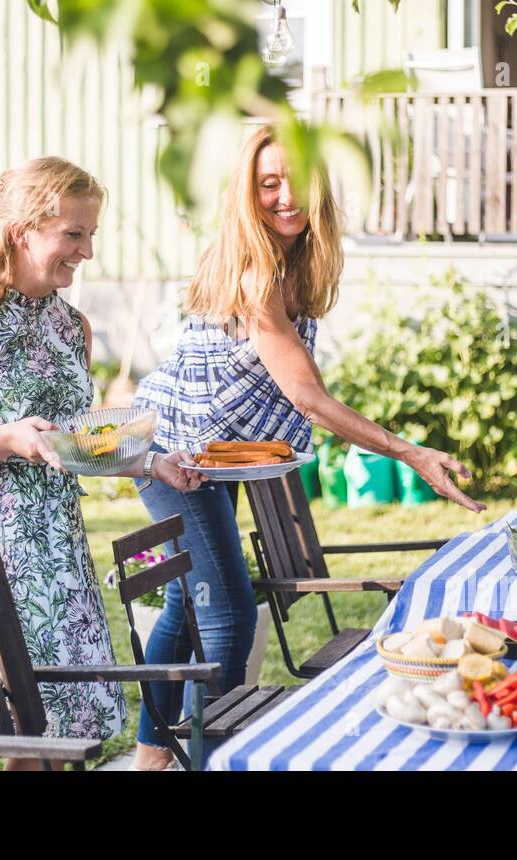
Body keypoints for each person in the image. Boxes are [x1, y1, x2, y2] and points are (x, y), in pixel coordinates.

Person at [128, 125, 487, 769]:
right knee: (231, 616)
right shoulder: (252, 267)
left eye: (297, 179)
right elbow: (308, 398)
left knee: (189, 601)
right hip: (173, 455)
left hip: (220, 456)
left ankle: (153, 757)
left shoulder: (292, 260)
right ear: (248, 191)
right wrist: (411, 453)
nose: (286, 196)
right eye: (269, 183)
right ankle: (211, 759)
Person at [0, 157, 204, 770]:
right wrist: (5, 437)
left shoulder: (73, 328)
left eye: (91, 235)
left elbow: (68, 446)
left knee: (53, 731)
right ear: (23, 231)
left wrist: (153, 465)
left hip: (54, 552)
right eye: (74, 234)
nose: (86, 252)